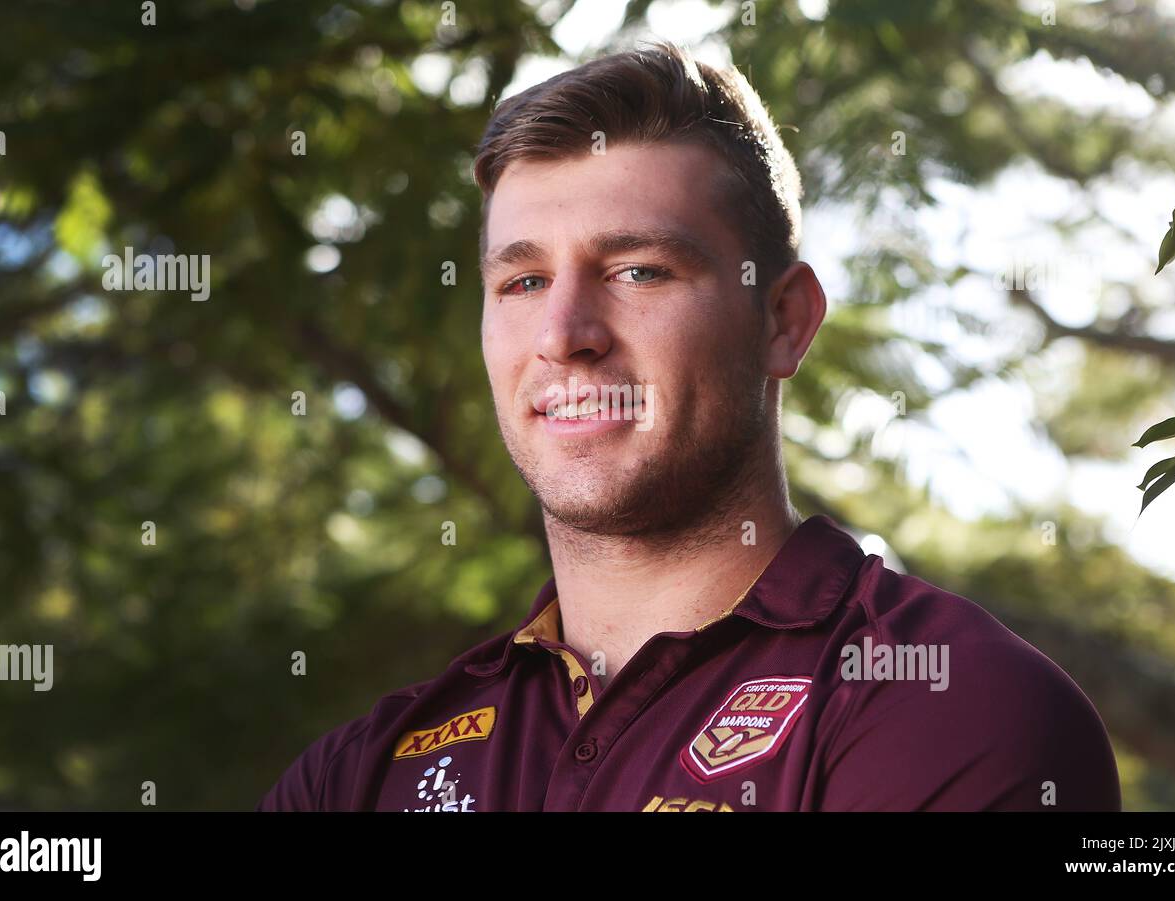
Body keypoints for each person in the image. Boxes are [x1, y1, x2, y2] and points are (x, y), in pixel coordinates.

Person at [258, 41, 1121, 812]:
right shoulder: (361, 773)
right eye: (522, 283)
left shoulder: (949, 704)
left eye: (638, 270)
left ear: (784, 320)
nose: (564, 337)